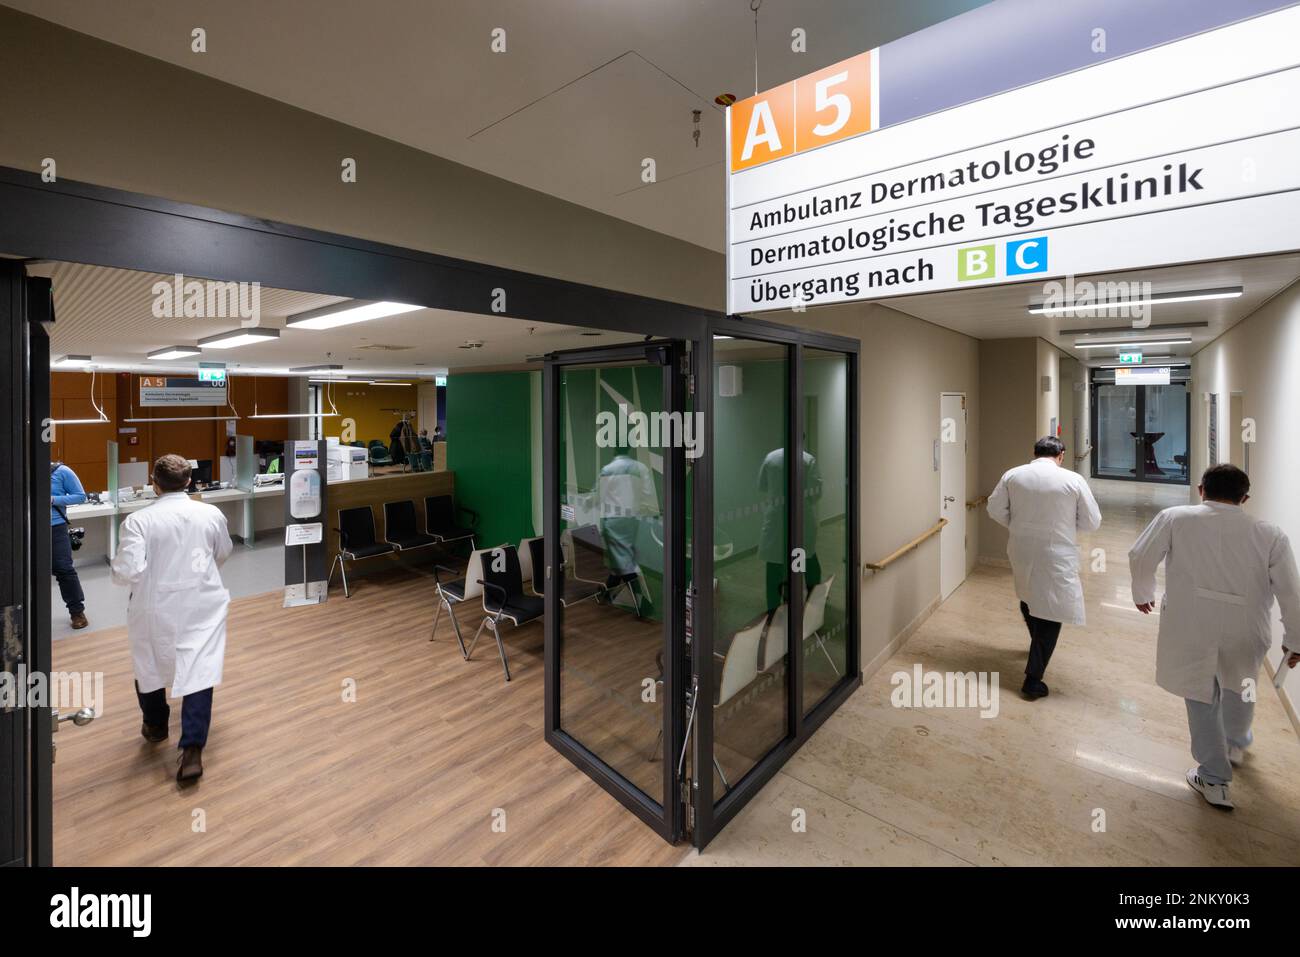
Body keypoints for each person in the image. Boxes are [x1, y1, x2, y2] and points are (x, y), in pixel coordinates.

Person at [1128, 463, 1300, 810]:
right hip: (1247, 629)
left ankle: (1213, 777)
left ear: (1201, 489)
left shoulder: (1175, 517)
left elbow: (1140, 555)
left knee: (1201, 695)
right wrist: (1295, 640)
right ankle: (1236, 743)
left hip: (1193, 625)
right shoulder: (1270, 533)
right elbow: (1291, 591)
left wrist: (1142, 592)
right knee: (1242, 685)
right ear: (1245, 498)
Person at [111, 454, 233, 783]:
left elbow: (128, 571)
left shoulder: (138, 521)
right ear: (190, 481)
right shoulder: (210, 514)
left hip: (154, 606)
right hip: (201, 603)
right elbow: (222, 552)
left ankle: (155, 725)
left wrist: (119, 569)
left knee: (148, 663)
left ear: (154, 482)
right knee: (199, 669)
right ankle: (191, 748)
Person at [987, 435, 1101, 699]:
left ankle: (1035, 644)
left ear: (1035, 452)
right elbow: (1092, 521)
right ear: (1060, 454)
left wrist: (1018, 526)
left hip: (1021, 548)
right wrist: (1066, 528)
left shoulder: (1013, 475)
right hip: (1055, 551)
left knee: (1027, 595)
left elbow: (995, 509)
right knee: (1052, 610)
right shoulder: (1073, 480)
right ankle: (1032, 679)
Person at [758, 439, 823, 611]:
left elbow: (762, 485)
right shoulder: (808, 459)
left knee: (774, 564)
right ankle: (807, 602)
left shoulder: (771, 457)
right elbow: (816, 493)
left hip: (775, 516)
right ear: (802, 439)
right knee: (803, 558)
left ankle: (773, 609)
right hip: (801, 515)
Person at [50, 460, 89, 629]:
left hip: (55, 527)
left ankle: (77, 612)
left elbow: (81, 496)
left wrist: (52, 499)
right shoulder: (18, 469)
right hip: (25, 528)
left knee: (64, 569)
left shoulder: (61, 471)